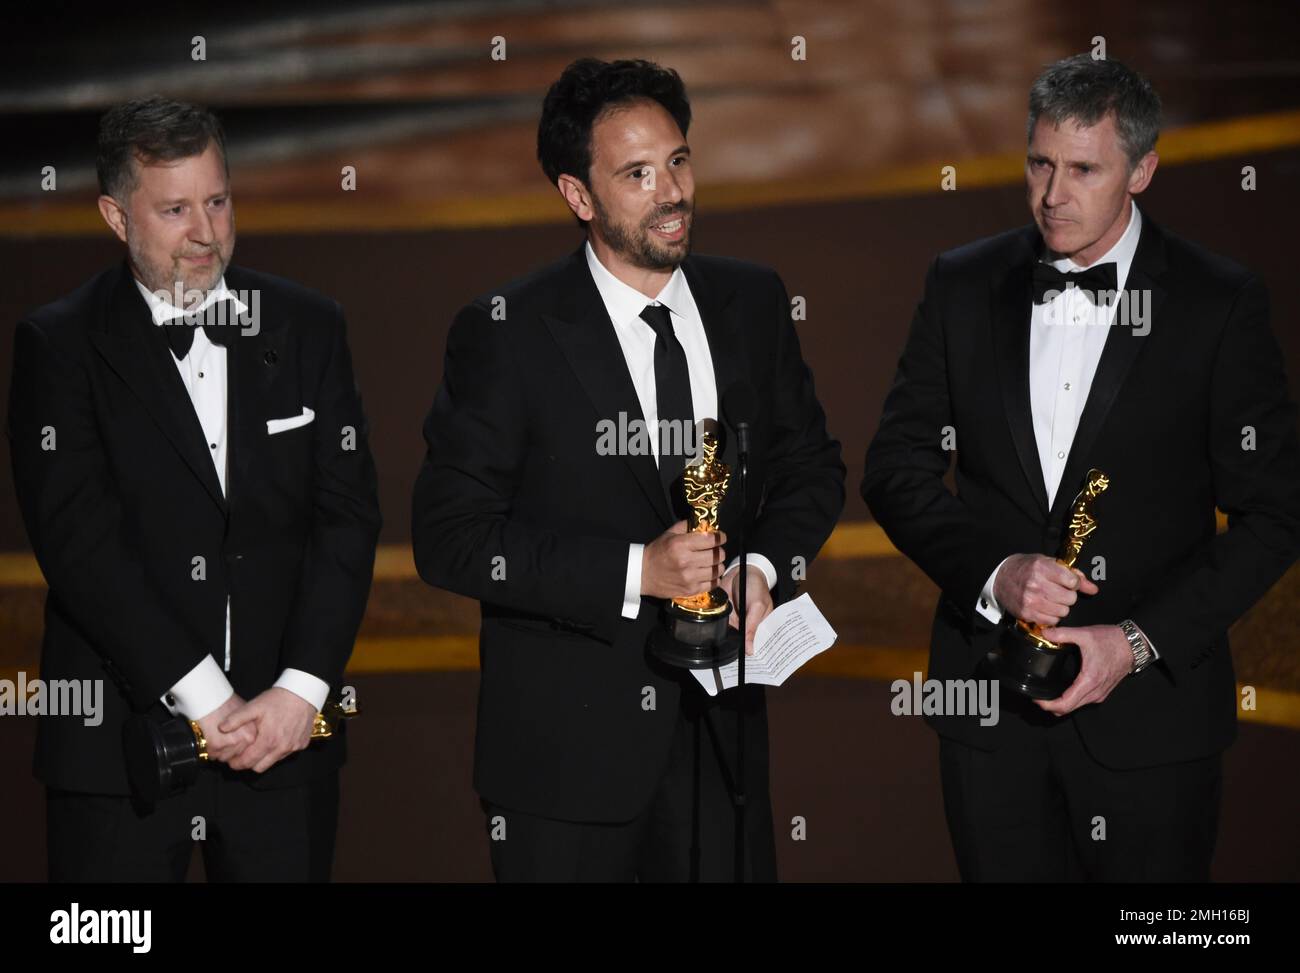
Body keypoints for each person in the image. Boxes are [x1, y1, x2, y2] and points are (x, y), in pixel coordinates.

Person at [862, 53, 1300, 882]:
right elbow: (896, 469)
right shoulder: (962, 284)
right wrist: (995, 572)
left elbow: (1276, 514)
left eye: (1084, 169)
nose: (1052, 195)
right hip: (990, 717)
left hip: (1152, 725)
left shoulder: (1217, 301)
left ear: (1143, 170)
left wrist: (1132, 644)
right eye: (1039, 163)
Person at [412, 58, 845, 881]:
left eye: (679, 161)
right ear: (579, 195)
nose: (672, 192)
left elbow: (811, 465)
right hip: (565, 770)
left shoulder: (752, 302)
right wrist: (637, 570)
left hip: (726, 757)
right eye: (638, 174)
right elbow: (448, 537)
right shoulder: (508, 333)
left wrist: (758, 566)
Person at [8, 96, 381, 881]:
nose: (207, 232)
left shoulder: (310, 325)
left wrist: (299, 690)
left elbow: (347, 519)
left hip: (286, 743)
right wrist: (208, 698)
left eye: (217, 200)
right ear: (116, 216)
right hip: (120, 751)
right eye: (175, 209)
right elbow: (81, 543)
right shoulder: (58, 345)